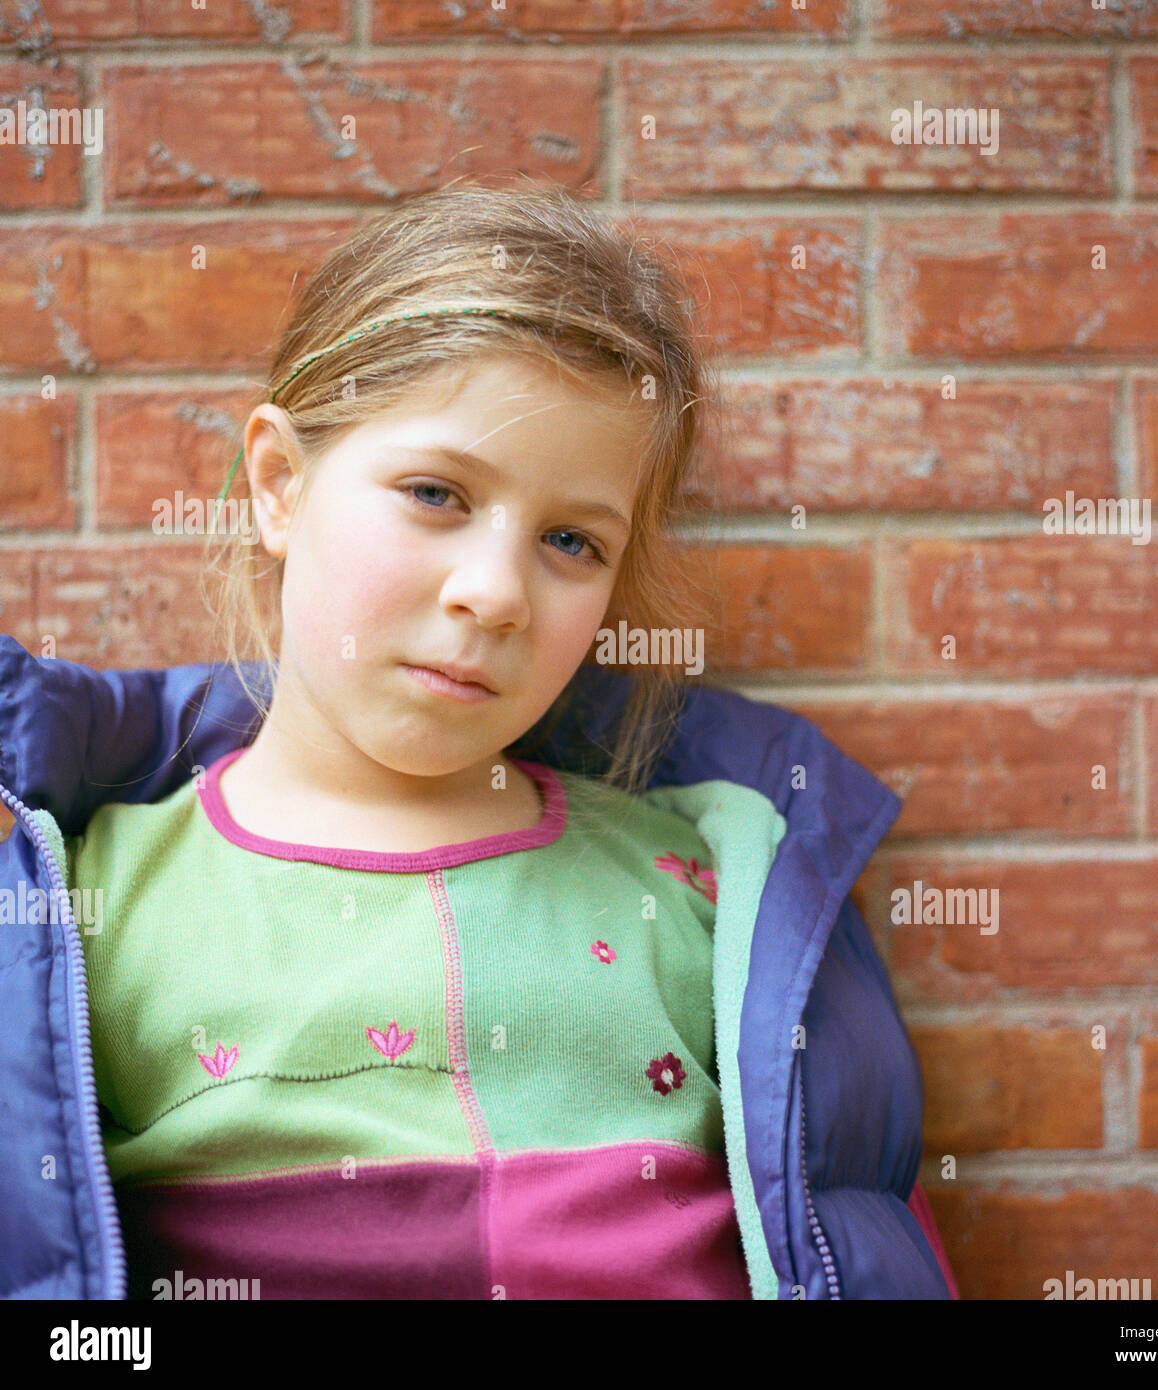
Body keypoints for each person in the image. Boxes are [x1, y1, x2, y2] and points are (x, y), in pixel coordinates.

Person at [0, 182, 958, 1301]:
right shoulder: (78, 906)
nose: (497, 592)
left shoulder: (715, 891)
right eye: (436, 492)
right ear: (277, 484)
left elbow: (857, 1241)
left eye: (570, 540)